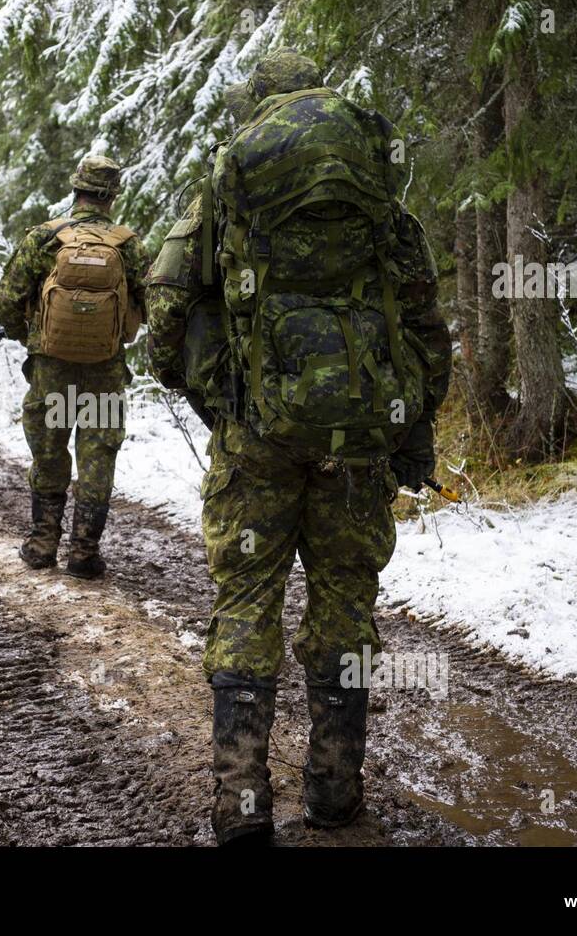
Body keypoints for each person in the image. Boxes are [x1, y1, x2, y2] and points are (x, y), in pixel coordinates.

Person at [145, 50, 452, 845]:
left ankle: (242, 802)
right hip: (358, 442)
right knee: (346, 606)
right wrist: (409, 427)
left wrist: (206, 387)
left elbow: (169, 304)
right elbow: (424, 323)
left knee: (247, 602)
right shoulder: (377, 195)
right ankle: (334, 792)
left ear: (260, 107)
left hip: (258, 441)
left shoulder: (231, 185)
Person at [0, 155, 149, 579]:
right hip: (104, 371)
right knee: (97, 454)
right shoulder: (128, 245)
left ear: (75, 191)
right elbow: (155, 303)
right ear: (111, 197)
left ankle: (43, 544)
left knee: (49, 448)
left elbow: (6, 301)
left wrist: (29, 334)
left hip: (52, 370)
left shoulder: (45, 239)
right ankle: (84, 552)